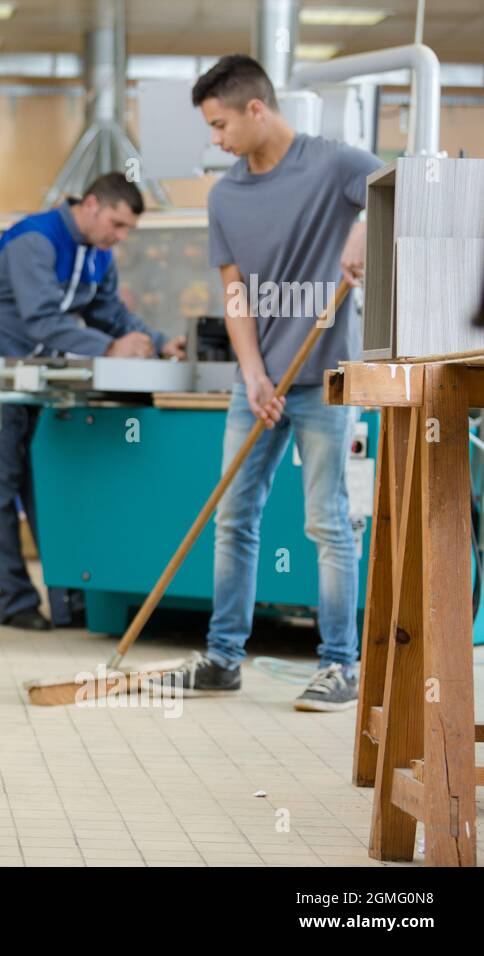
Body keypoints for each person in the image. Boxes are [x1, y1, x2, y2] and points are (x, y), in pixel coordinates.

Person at [163, 54, 382, 710]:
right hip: (257, 381)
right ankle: (224, 657)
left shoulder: (336, 164)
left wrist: (367, 228)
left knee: (326, 520)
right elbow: (236, 298)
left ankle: (340, 665)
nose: (217, 139)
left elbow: (397, 189)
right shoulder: (226, 196)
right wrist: (253, 374)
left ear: (256, 109)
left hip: (324, 381)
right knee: (234, 516)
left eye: (221, 123)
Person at [0, 173, 186, 631]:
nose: (118, 237)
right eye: (116, 225)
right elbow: (42, 318)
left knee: (49, 487)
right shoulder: (34, 239)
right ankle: (16, 602)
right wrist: (106, 349)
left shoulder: (98, 254)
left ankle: (71, 602)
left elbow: (111, 314)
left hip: (39, 376)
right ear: (93, 204)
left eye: (126, 231)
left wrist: (160, 343)